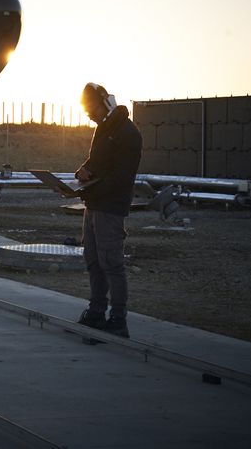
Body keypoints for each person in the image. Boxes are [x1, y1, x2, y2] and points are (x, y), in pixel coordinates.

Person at [74, 82, 142, 338]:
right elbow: (96, 162)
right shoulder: (104, 129)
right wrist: (81, 173)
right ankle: (96, 311)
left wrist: (87, 189)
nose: (88, 115)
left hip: (110, 208)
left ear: (104, 102)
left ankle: (118, 318)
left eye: (90, 109)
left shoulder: (128, 133)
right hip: (93, 205)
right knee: (93, 261)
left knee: (111, 263)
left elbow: (120, 178)